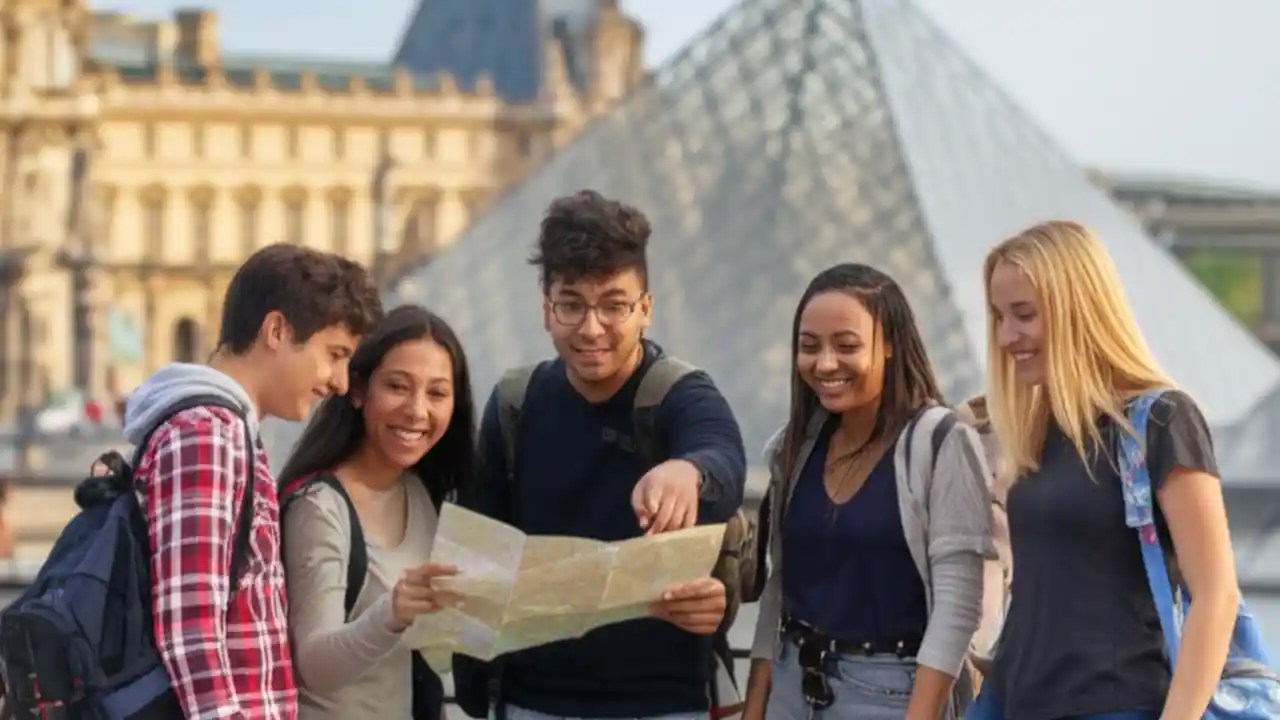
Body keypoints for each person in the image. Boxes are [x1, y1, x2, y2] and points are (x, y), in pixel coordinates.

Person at [454, 190, 747, 720]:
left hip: (659, 703)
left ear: (646, 310)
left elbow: (723, 455)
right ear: (546, 309)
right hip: (530, 702)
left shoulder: (681, 394)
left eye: (614, 305)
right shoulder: (513, 405)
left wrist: (689, 471)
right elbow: (482, 554)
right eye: (572, 304)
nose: (591, 328)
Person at [971, 220, 1239, 719]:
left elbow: (1216, 595)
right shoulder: (1037, 428)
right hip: (1016, 704)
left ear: (1078, 309)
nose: (1006, 336)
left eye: (1024, 314)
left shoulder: (1160, 420)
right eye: (998, 316)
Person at [122, 243, 382, 719]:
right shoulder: (208, 435)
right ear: (277, 331)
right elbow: (191, 627)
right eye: (335, 354)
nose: (341, 382)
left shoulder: (224, 431)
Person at [743, 263, 993, 720]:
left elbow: (958, 607)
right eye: (809, 346)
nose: (824, 364)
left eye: (847, 345)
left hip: (889, 695)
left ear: (892, 344)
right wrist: (755, 705)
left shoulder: (940, 442)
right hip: (791, 685)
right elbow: (778, 587)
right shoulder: (793, 447)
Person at [277, 304, 476, 719]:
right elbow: (314, 666)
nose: (418, 411)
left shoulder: (421, 493)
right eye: (398, 386)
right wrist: (393, 612)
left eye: (437, 393)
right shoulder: (319, 507)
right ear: (358, 389)